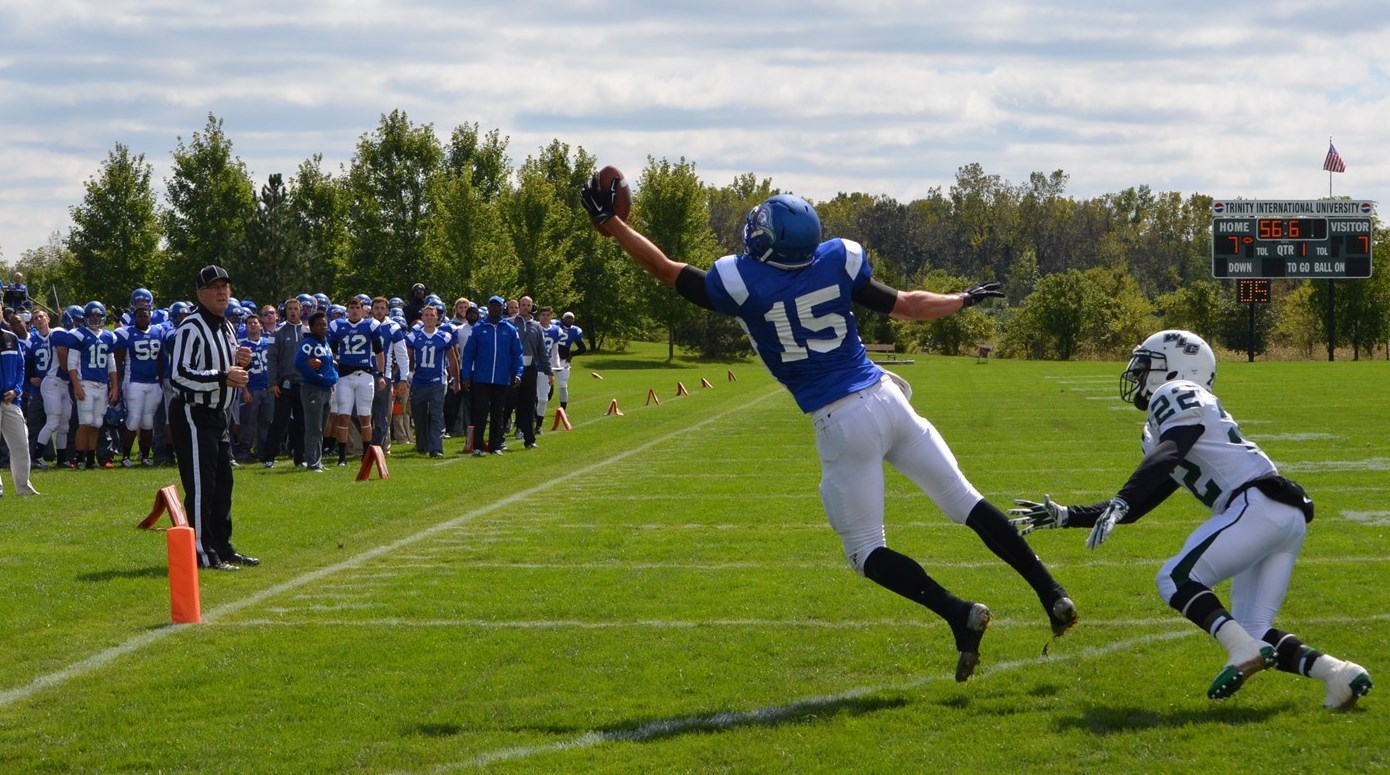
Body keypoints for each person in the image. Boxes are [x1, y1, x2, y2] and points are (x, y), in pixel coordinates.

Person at [582, 185, 1077, 681]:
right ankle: (1052, 592)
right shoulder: (838, 259)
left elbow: (665, 269)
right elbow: (906, 305)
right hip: (887, 398)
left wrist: (614, 227)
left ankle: (959, 614)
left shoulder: (742, 280)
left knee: (866, 550)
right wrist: (963, 299)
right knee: (965, 502)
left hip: (840, 419)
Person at [1008, 330, 1373, 707]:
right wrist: (1069, 516)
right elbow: (1145, 497)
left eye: (1147, 365)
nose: (1137, 374)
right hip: (1280, 517)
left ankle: (1242, 652)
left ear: (1178, 368)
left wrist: (1122, 499)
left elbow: (1170, 451)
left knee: (1175, 577)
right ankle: (1338, 673)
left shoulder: (1175, 393)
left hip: (1255, 504)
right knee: (1253, 629)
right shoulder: (1171, 426)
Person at [168, 265, 259, 570]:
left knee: (223, 483)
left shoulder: (227, 327)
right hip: (193, 414)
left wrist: (239, 361)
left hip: (217, 415)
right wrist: (223, 376)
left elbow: (227, 369)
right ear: (200, 294)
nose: (222, 292)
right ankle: (201, 553)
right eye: (215, 287)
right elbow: (179, 376)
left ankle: (222, 546)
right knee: (201, 486)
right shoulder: (190, 327)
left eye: (226, 287)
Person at [326, 297, 384, 466]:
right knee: (343, 416)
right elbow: (332, 352)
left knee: (365, 416)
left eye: (357, 307)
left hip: (365, 375)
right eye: (351, 307)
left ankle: (366, 455)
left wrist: (380, 374)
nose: (354, 310)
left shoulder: (371, 325)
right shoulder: (338, 326)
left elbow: (380, 352)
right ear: (347, 310)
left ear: (362, 309)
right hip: (344, 377)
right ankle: (342, 457)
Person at [461, 296, 521, 457]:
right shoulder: (479, 329)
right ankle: (478, 446)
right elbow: (468, 354)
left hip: (501, 379)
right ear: (488, 308)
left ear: (502, 308)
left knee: (498, 413)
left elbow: (517, 354)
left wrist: (518, 373)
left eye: (498, 306)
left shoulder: (509, 329)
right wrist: (466, 375)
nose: (495, 309)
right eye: (492, 306)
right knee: (479, 412)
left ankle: (495, 445)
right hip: (481, 378)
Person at [66, 301, 118, 469]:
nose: (95, 318)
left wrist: (115, 386)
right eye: (92, 315)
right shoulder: (79, 335)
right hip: (85, 382)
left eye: (98, 315)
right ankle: (79, 458)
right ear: (86, 317)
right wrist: (76, 385)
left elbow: (112, 365)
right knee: (85, 421)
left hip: (102, 384)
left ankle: (90, 459)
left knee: (96, 423)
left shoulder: (109, 336)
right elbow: (72, 364)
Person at [406, 304, 459, 457]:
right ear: (422, 318)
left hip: (438, 380)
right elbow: (407, 356)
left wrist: (457, 380)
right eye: (426, 315)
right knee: (418, 414)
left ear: (437, 317)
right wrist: (408, 373)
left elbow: (453, 359)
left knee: (437, 414)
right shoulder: (413, 336)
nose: (429, 318)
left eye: (432, 315)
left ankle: (436, 448)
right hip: (419, 381)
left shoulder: (444, 336)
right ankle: (422, 445)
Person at [113, 305, 163, 467]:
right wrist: (115, 385)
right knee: (134, 419)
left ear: (150, 317)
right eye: (140, 316)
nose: (143, 318)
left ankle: (145, 456)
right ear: (135, 318)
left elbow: (162, 360)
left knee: (148, 421)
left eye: (146, 316)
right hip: (134, 381)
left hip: (154, 382)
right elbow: (118, 362)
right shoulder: (126, 333)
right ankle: (126, 456)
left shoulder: (158, 331)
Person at [261, 297, 306, 468]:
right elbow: (271, 359)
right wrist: (272, 382)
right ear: (285, 312)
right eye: (290, 309)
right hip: (284, 384)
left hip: (303, 384)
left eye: (296, 309)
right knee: (279, 421)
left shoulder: (308, 332)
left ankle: (300, 458)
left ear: (301, 311)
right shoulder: (277, 333)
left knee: (302, 422)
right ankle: (268, 457)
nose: (293, 312)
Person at [1, 313, 39, 496]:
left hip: (11, 399)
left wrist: (16, 390)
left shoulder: (11, 338)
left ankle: (23, 488)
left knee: (21, 444)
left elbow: (20, 367)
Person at [294, 311, 338, 472]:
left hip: (326, 389)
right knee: (314, 428)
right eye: (318, 324)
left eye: (324, 324)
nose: (322, 327)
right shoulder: (309, 343)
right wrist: (315, 376)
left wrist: (333, 377)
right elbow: (299, 362)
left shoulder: (324, 342)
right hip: (313, 389)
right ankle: (312, 463)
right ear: (311, 327)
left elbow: (329, 365)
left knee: (321, 427)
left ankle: (318, 460)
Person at [510, 296, 552, 449]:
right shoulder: (510, 323)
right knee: (509, 404)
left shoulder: (536, 326)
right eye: (523, 304)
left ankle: (529, 439)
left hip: (530, 370)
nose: (525, 307)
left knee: (528, 405)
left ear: (532, 306)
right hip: (512, 369)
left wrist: (549, 372)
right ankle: (499, 439)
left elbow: (542, 352)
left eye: (528, 305)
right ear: (518, 306)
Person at [235, 313, 273, 463]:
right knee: (248, 424)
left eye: (255, 323)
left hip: (267, 388)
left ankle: (263, 452)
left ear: (261, 325)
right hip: (251, 388)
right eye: (249, 323)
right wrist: (244, 390)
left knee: (266, 423)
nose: (252, 325)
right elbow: (240, 369)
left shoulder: (268, 343)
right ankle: (244, 453)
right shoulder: (243, 346)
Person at [555, 311, 586, 411]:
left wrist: (571, 354)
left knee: (563, 385)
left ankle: (563, 410)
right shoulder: (554, 324)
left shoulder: (575, 330)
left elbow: (582, 348)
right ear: (562, 319)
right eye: (567, 318)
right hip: (550, 358)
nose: (569, 320)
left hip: (563, 360)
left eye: (571, 318)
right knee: (545, 387)